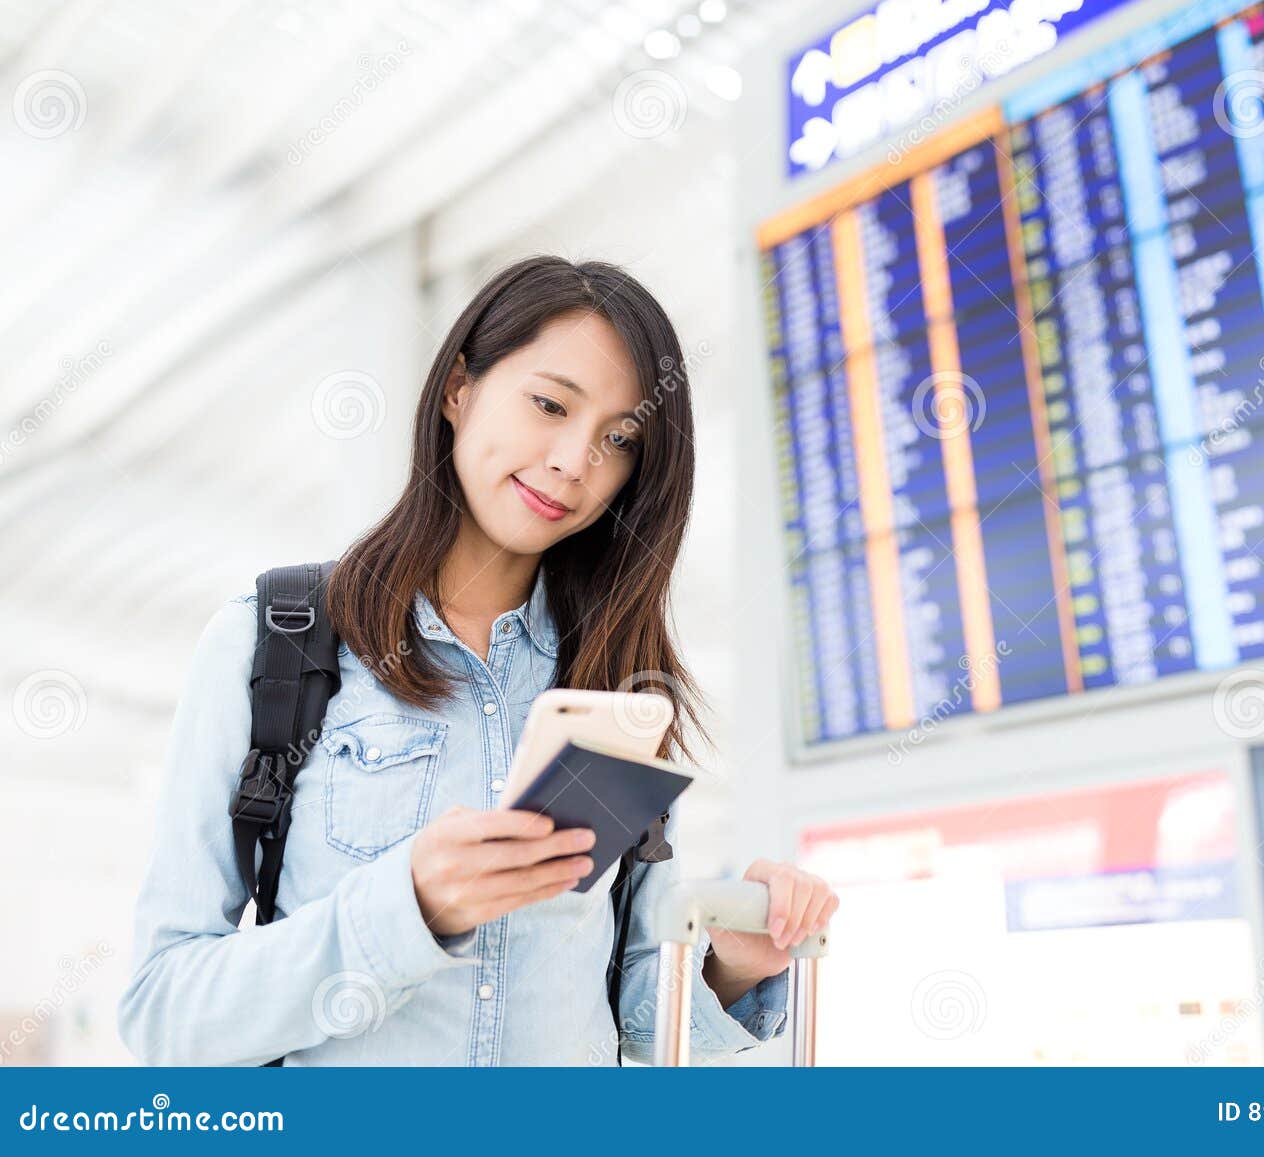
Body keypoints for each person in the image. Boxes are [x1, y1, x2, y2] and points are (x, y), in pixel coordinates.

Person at [116, 255, 838, 1066]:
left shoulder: (611, 677)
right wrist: (407, 907)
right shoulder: (278, 640)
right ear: (459, 389)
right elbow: (164, 1012)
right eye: (549, 404)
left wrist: (733, 962)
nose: (575, 460)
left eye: (620, 438)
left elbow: (627, 1012)